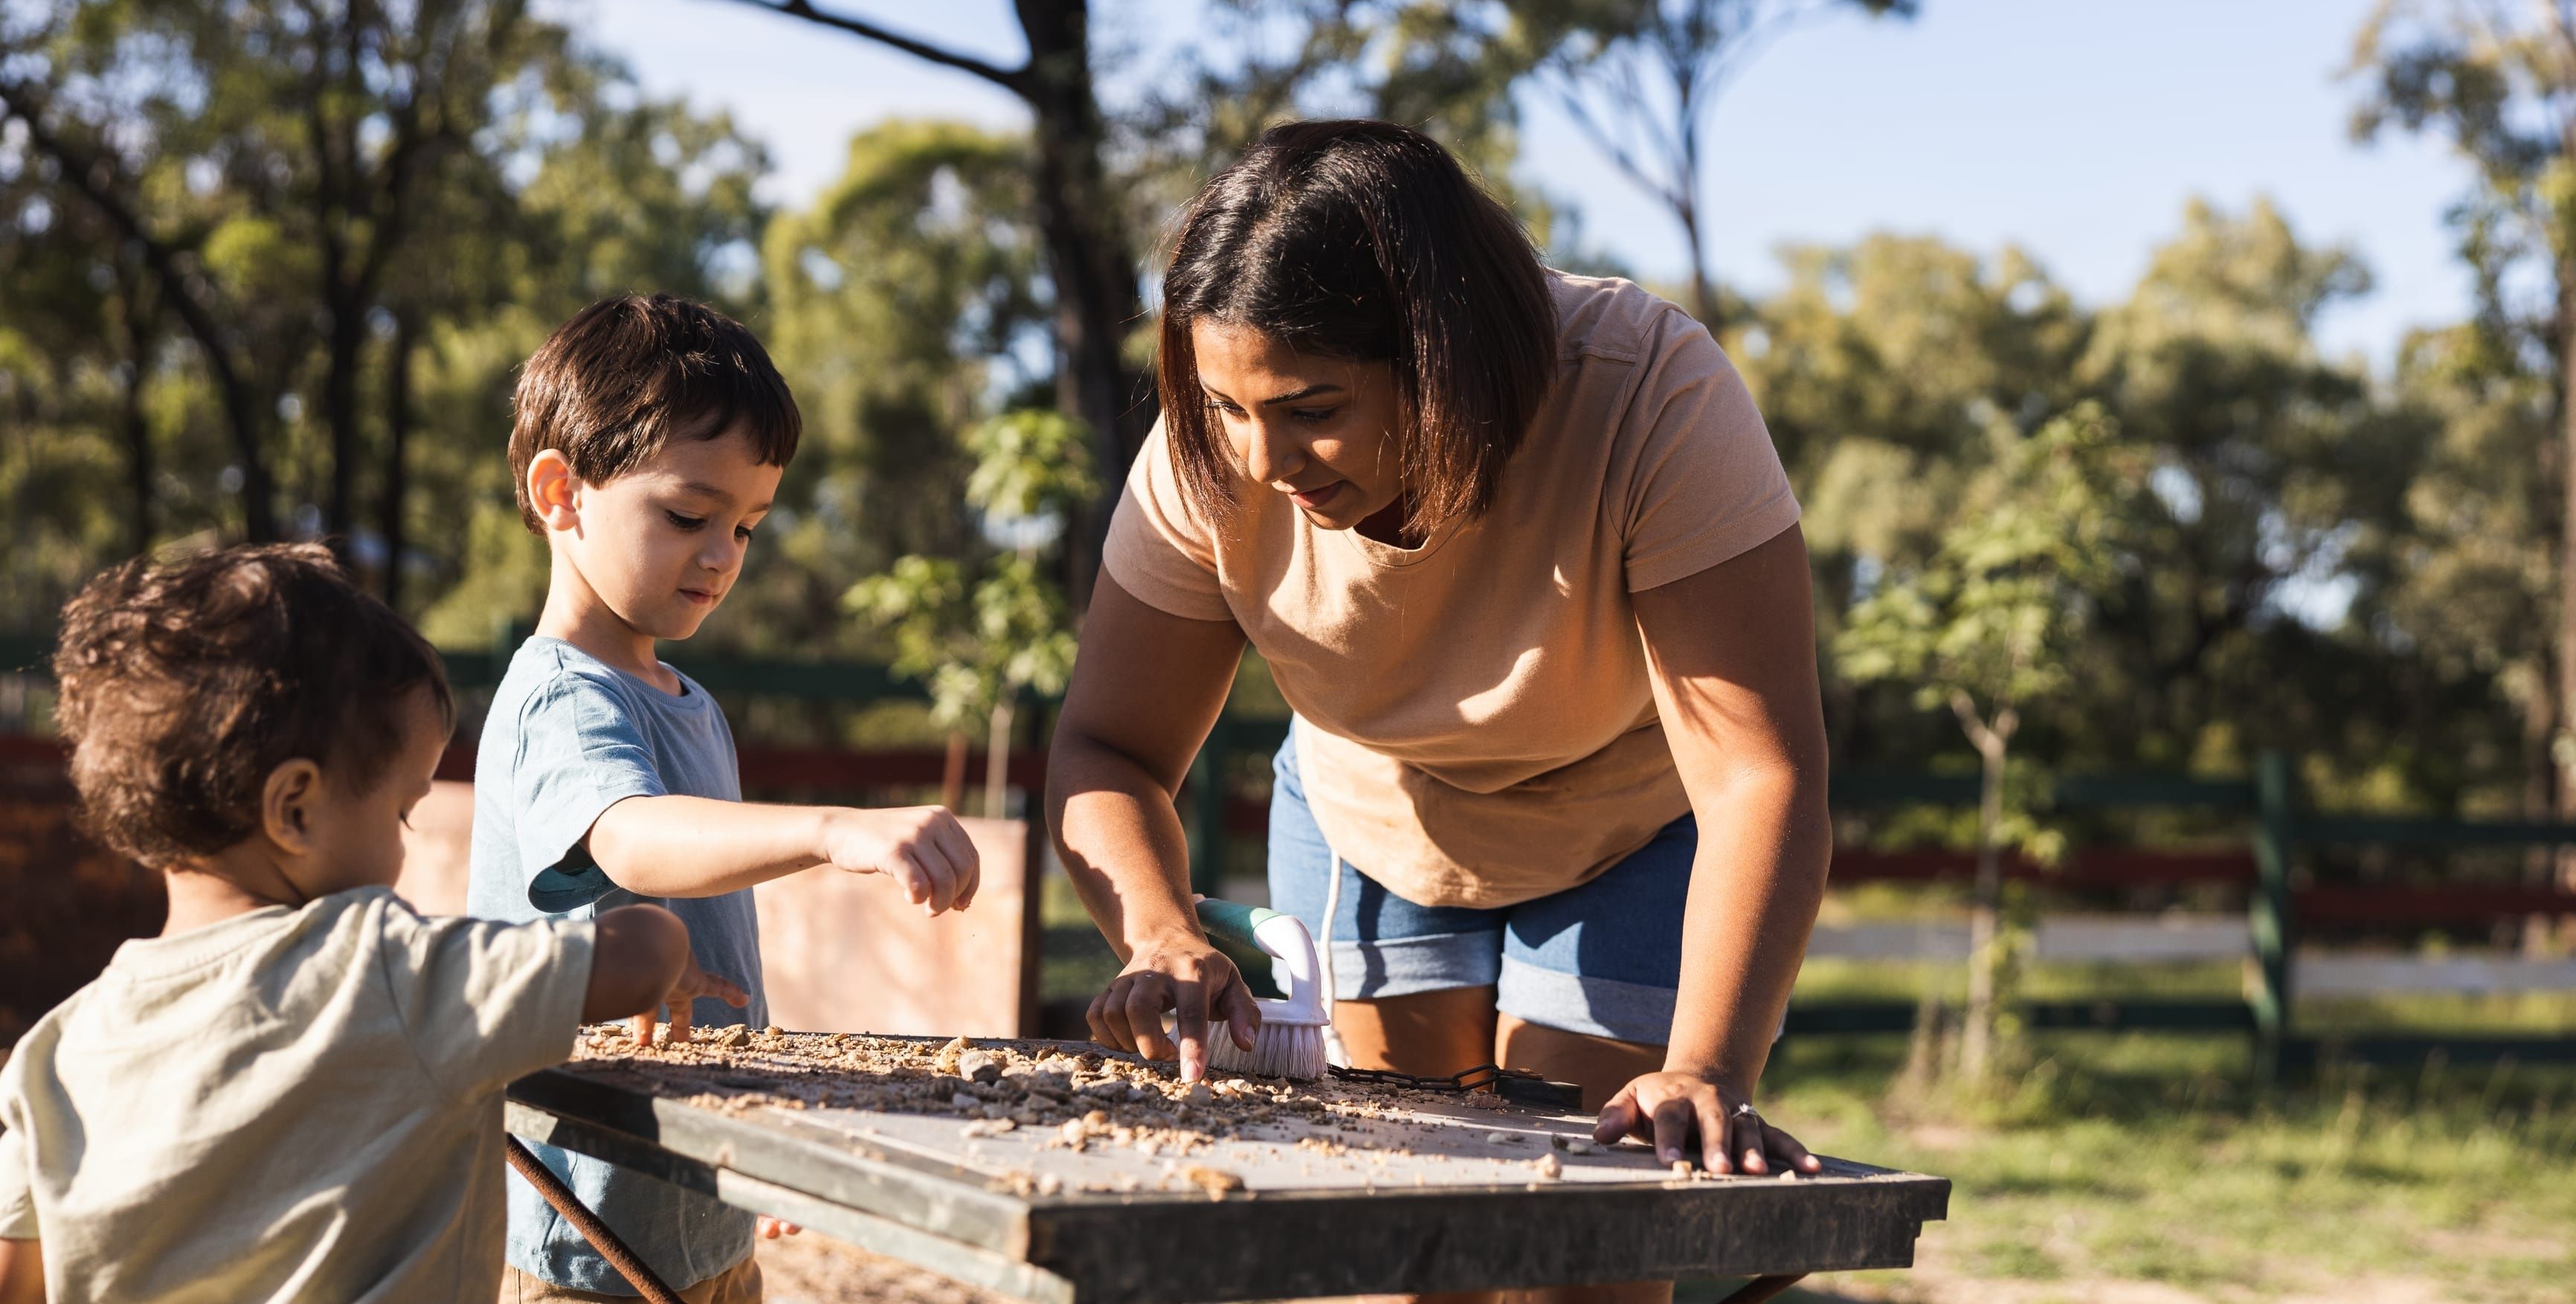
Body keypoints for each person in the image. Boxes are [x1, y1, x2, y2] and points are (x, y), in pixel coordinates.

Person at [1047, 121, 1834, 1292]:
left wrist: (1709, 1065)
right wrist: (1164, 933)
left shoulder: (1649, 394)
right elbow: (1108, 746)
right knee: (1413, 1236)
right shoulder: (1209, 448)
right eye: (1229, 406)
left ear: (1440, 353)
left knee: (1580, 1248)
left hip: (1627, 822)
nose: (1264, 459)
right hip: (1370, 811)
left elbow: (1759, 775)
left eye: (1314, 404)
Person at [0, 544, 692, 1304]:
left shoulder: (55, 1052)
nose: (405, 840)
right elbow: (638, 958)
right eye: (401, 810)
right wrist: (654, 923)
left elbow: (16, 1279)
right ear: (295, 807)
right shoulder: (383, 969)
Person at [471, 294, 981, 1304]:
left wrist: (754, 1143)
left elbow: (718, 958)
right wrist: (834, 827)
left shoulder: (689, 702)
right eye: (688, 516)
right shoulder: (559, 696)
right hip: (587, 1228)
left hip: (702, 1209)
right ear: (560, 492)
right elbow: (629, 839)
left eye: (747, 526)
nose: (723, 555)